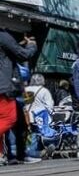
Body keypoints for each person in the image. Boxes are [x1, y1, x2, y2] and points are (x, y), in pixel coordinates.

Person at [0, 30, 36, 165]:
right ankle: (13, 154)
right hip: (4, 86)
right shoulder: (3, 36)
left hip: (8, 86)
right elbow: (23, 54)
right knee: (9, 118)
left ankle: (3, 154)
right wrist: (32, 45)